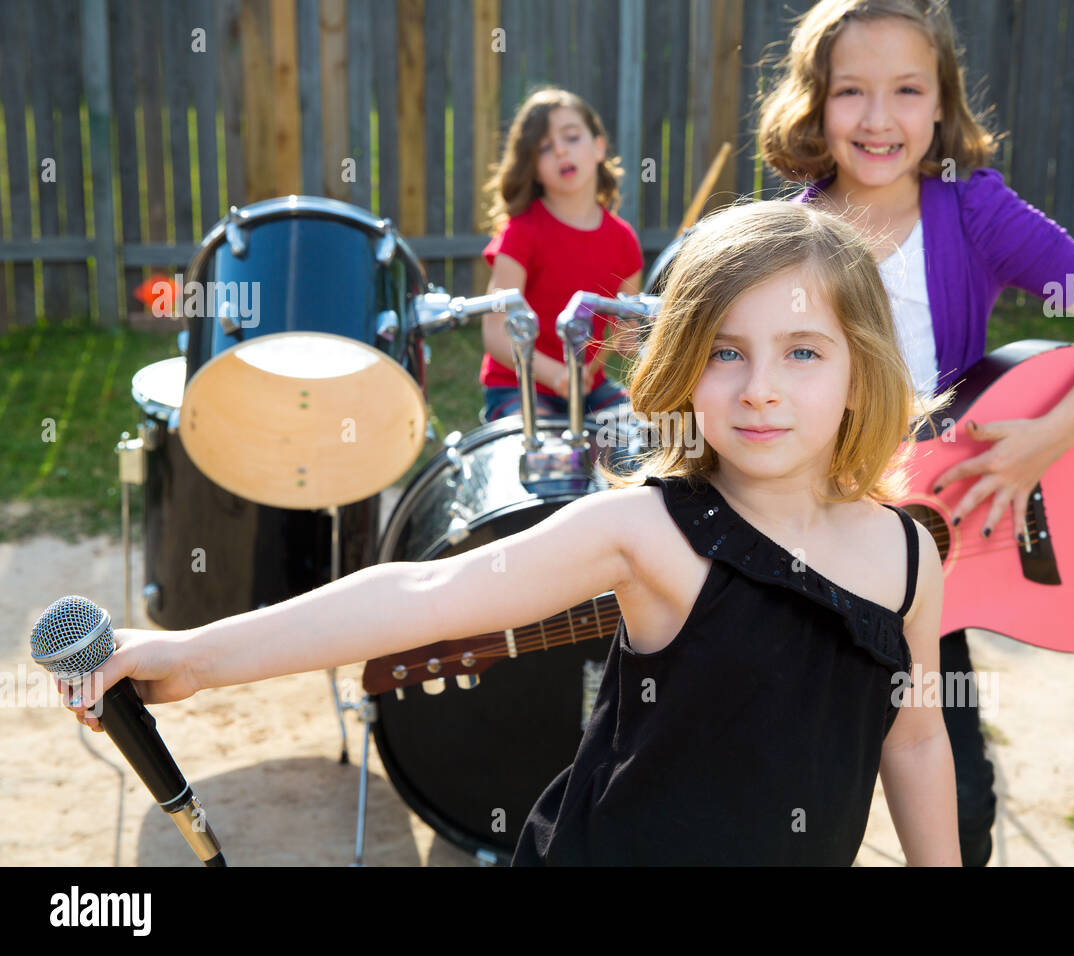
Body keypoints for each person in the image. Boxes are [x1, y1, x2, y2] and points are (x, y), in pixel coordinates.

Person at [64, 200, 961, 866]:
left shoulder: (908, 557)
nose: (760, 385)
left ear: (861, 369)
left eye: (802, 350)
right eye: (726, 350)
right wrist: (193, 653)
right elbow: (424, 592)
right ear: (684, 368)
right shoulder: (649, 531)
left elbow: (914, 741)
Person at [757, 0, 1074, 866]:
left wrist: (1044, 441)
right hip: (808, 549)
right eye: (851, 93)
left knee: (957, 805)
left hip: (925, 557)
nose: (879, 120)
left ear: (942, 103)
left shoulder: (973, 213)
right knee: (787, 794)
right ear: (813, 103)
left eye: (907, 90)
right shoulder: (783, 241)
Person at [479, 87, 644, 423]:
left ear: (598, 147)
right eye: (544, 147)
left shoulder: (624, 240)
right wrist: (556, 375)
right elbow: (496, 333)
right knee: (548, 455)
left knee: (643, 434)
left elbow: (625, 335)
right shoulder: (521, 234)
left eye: (571, 137)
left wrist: (631, 336)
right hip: (520, 384)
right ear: (533, 168)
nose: (559, 151)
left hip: (588, 388)